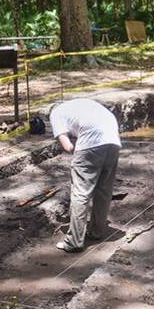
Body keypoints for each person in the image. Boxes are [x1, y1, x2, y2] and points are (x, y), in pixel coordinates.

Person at [50, 98, 122, 252]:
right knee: (103, 191)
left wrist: (80, 153)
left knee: (81, 193)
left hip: (92, 143)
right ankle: (97, 231)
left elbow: (68, 146)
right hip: (113, 142)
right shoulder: (78, 105)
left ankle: (74, 241)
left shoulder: (55, 114)